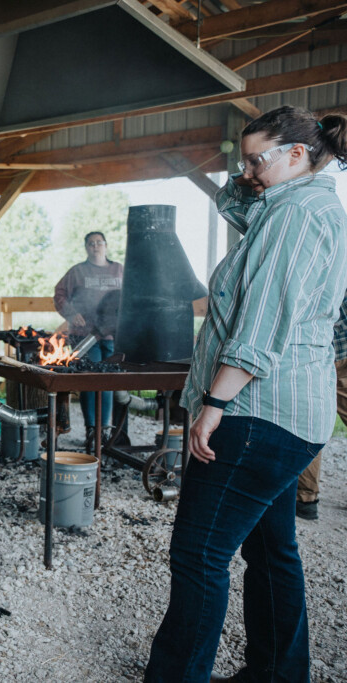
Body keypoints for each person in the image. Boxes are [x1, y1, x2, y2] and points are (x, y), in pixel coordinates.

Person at [144, 105, 347, 683]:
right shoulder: (290, 203)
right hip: (286, 413)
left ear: (298, 153)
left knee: (198, 553)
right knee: (270, 547)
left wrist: (214, 404)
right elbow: (234, 203)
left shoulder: (296, 215)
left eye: (259, 160)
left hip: (258, 412)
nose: (249, 171)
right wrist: (249, 171)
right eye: (245, 160)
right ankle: (278, 673)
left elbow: (262, 322)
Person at [53, 231, 124, 447]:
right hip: (84, 335)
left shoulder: (119, 270)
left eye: (99, 242)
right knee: (89, 380)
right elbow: (59, 295)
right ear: (86, 247)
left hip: (112, 336)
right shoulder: (77, 272)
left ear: (106, 246)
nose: (95, 246)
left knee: (109, 381)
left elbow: (131, 297)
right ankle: (91, 429)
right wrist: (71, 313)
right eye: (91, 243)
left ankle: (105, 430)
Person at [296, 300, 347, 520]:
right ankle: (305, 500)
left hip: (314, 349)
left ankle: (305, 499)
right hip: (336, 347)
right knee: (309, 421)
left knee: (309, 421)